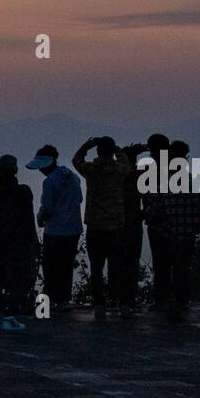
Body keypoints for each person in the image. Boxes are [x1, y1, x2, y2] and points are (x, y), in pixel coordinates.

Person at [72, 135, 133, 320]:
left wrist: (86, 145)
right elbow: (125, 161)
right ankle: (122, 303)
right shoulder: (120, 170)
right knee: (118, 266)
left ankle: (99, 304)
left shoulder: (91, 170)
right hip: (116, 225)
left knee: (97, 268)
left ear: (98, 151)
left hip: (96, 226)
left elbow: (76, 160)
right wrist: (117, 149)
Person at [146, 140, 200, 322]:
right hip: (186, 231)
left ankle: (162, 300)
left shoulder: (161, 178)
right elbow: (198, 202)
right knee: (181, 268)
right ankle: (180, 300)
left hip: (164, 231)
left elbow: (154, 205)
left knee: (162, 266)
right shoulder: (188, 179)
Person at [0, 154, 38, 331]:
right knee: (20, 277)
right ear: (16, 171)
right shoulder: (23, 192)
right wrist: (33, 240)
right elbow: (28, 218)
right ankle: (10, 315)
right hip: (18, 240)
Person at [28, 145, 82, 311]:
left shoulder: (49, 181)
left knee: (51, 267)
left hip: (55, 231)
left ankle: (48, 302)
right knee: (66, 265)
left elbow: (47, 207)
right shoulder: (72, 176)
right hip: (73, 228)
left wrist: (39, 218)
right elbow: (79, 199)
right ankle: (63, 300)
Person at [135, 133, 169, 310]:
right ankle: (178, 299)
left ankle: (161, 299)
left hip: (156, 222)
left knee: (160, 261)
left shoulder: (151, 170)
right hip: (176, 221)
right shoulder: (176, 167)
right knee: (176, 263)